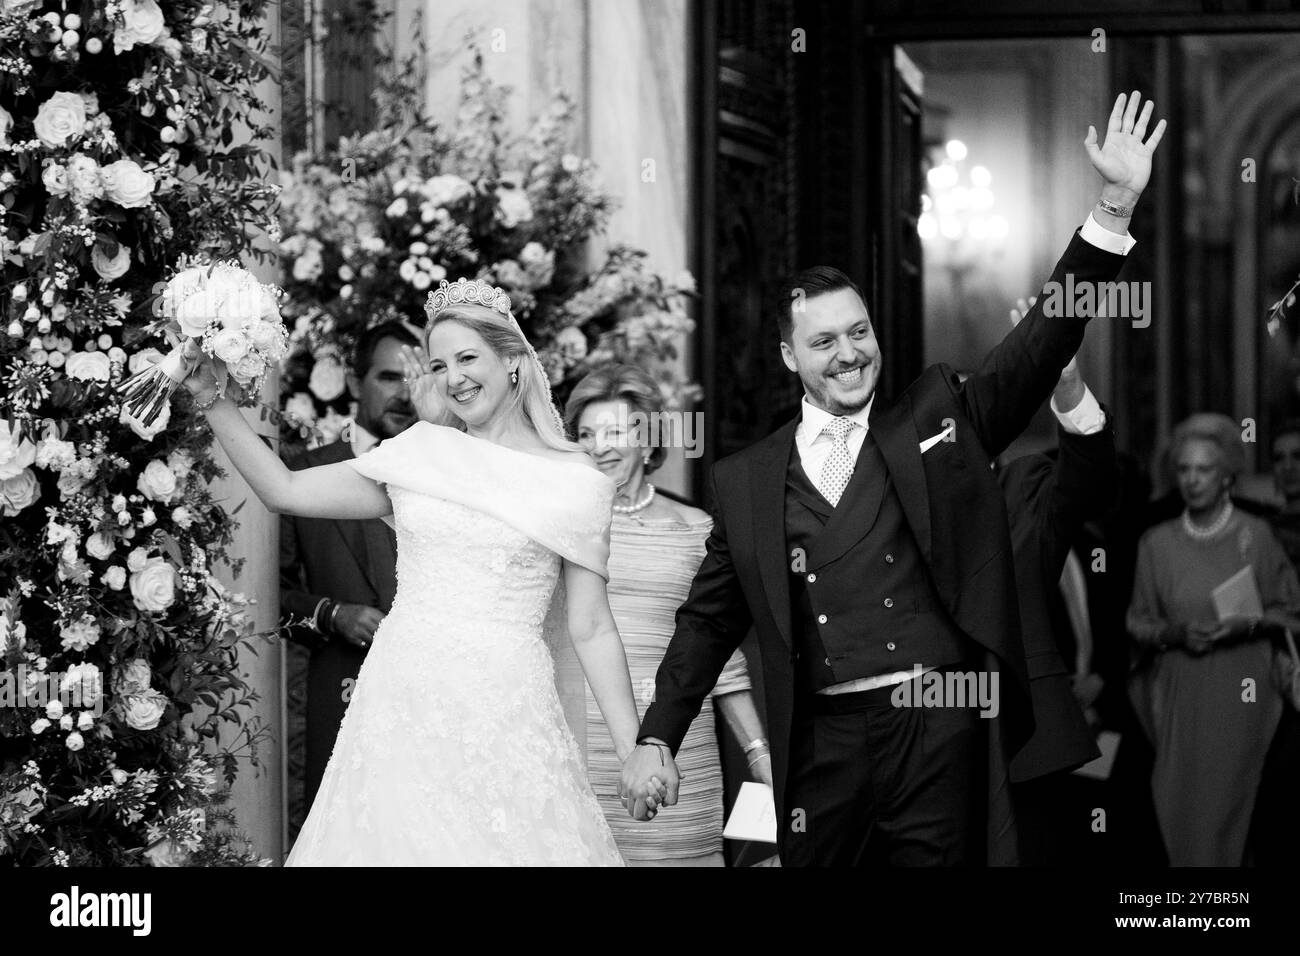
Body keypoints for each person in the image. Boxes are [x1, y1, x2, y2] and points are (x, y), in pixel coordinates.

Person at [622, 91, 1167, 866]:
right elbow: (707, 622)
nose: (849, 354)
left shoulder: (939, 413)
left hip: (935, 725)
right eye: (824, 342)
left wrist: (1113, 207)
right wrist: (656, 735)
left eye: (859, 332)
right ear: (789, 358)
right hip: (822, 741)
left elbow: (1043, 339)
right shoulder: (745, 478)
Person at [183, 277, 653, 865]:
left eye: (467, 358)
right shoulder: (420, 453)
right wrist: (213, 397)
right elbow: (283, 489)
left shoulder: (578, 482)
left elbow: (591, 628)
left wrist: (637, 747)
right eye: (439, 364)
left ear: (512, 360)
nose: (453, 377)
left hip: (505, 709)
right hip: (399, 703)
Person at [565, 364, 773, 866]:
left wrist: (760, 755)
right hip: (582, 748)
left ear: (649, 438)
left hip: (676, 747)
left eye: (615, 431)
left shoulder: (697, 527)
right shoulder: (562, 528)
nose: (599, 446)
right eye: (586, 434)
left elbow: (719, 654)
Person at [1127, 413, 1300, 865]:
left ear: (1226, 477)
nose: (1192, 480)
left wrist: (1250, 624)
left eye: (1203, 470)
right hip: (1182, 700)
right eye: (1184, 470)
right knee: (1178, 813)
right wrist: (1176, 632)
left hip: (1244, 698)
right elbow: (1137, 623)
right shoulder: (1155, 544)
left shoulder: (1256, 536)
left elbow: (1292, 612)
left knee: (1235, 819)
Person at [994, 299, 1116, 865]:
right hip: (932, 742)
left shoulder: (1023, 483)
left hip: (1029, 739)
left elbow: (1085, 481)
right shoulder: (904, 493)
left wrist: (1066, 382)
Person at [280, 321, 418, 814]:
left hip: (437, 708)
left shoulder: (450, 477)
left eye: (416, 379)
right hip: (343, 699)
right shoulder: (304, 472)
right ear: (357, 384)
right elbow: (269, 597)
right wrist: (331, 615)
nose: (405, 394)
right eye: (389, 377)